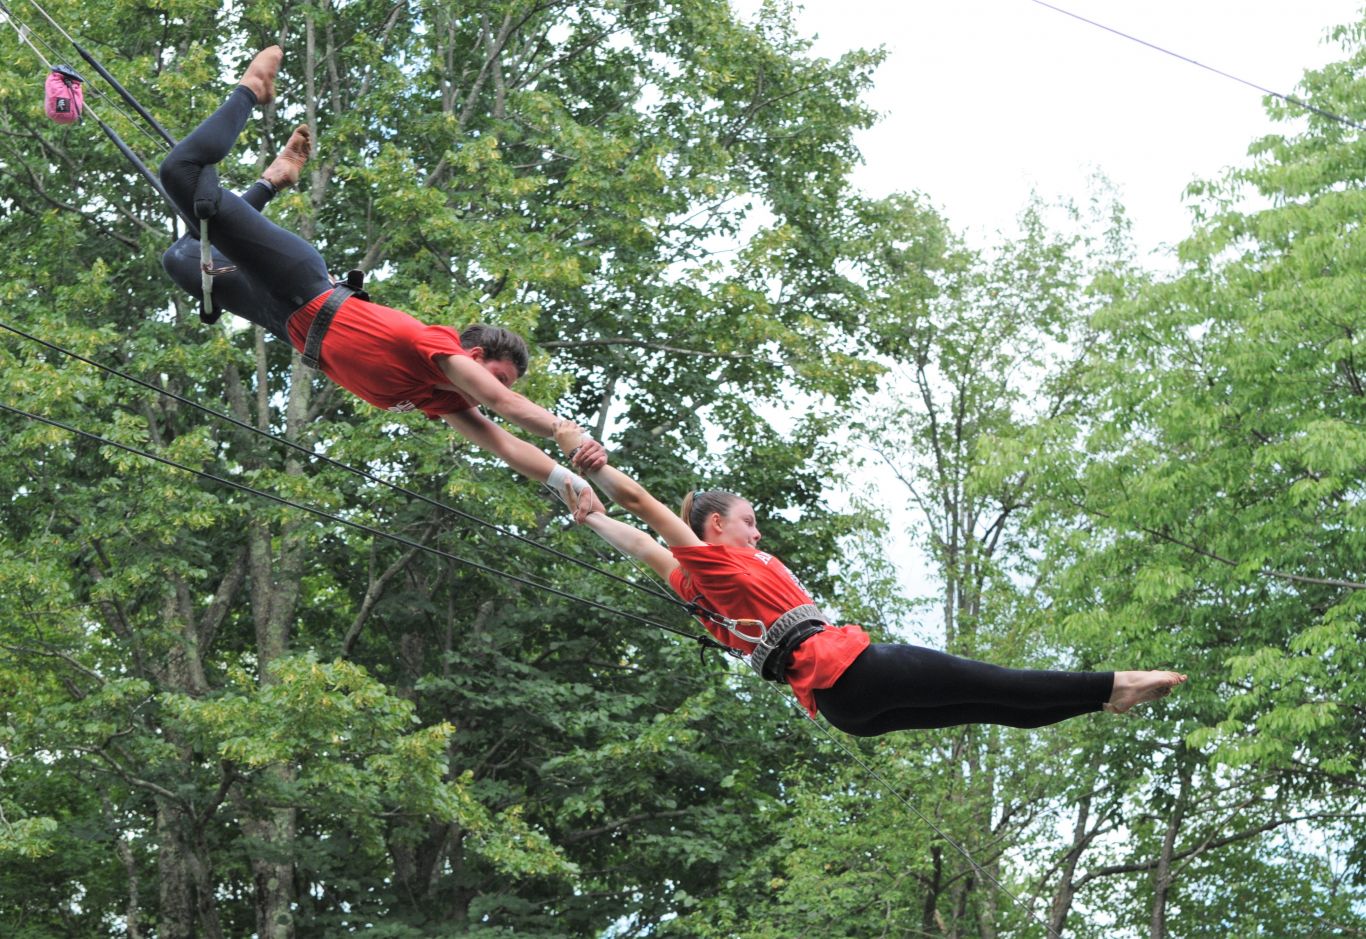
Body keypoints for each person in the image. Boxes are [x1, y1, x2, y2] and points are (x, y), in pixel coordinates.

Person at [158, 46, 606, 507]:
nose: (500, 389)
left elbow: (506, 445)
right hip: (300, 284)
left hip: (283, 321)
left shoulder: (443, 400)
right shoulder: (438, 350)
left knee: (180, 258)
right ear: (473, 355)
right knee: (179, 170)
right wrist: (564, 432)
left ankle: (274, 179)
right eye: (500, 377)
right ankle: (254, 91)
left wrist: (569, 483)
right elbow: (506, 407)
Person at [553, 422, 1187, 736]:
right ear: (714, 526)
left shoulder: (694, 588)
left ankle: (1106, 698)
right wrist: (597, 467)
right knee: (997, 686)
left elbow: (636, 539)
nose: (757, 534)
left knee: (993, 709)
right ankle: (1117, 682)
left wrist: (590, 520)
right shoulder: (715, 562)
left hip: (843, 711)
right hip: (852, 668)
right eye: (749, 522)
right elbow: (645, 512)